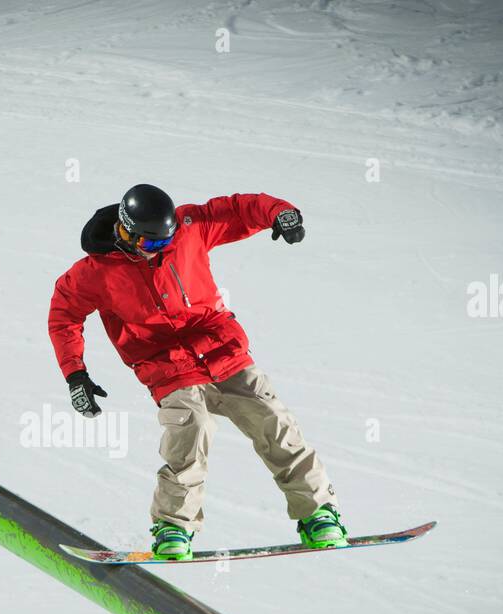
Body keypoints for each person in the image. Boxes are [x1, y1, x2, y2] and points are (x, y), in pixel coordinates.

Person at [47, 183, 347, 560]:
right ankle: (173, 527)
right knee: (191, 429)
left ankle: (318, 513)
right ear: (126, 231)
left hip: (222, 348)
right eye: (152, 244)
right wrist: (75, 374)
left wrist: (279, 212)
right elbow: (64, 316)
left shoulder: (188, 227)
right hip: (166, 364)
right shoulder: (93, 273)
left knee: (275, 423)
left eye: (166, 242)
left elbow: (237, 210)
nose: (161, 250)